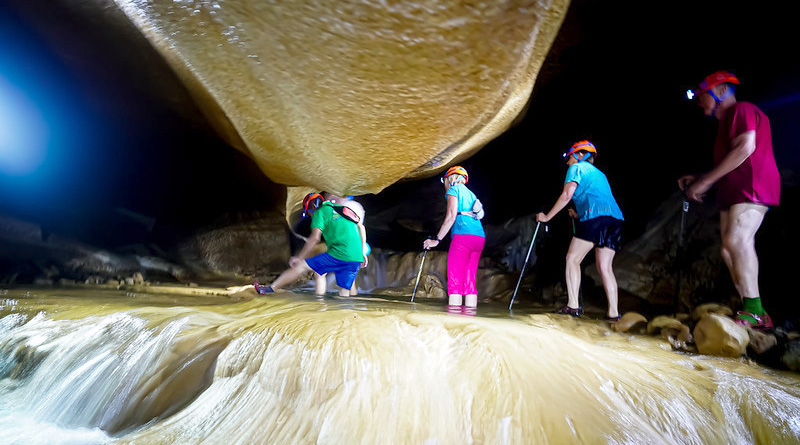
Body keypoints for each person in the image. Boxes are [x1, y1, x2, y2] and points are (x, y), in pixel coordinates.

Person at [678, 71, 780, 329]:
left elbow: (746, 147)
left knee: (737, 240)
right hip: (734, 191)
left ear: (721, 90)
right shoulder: (724, 126)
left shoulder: (741, 109)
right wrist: (700, 177)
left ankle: (755, 311)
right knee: (727, 249)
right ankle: (752, 310)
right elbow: (730, 162)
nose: (699, 101)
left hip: (753, 186)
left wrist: (705, 182)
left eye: (702, 95)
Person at [536, 141, 624, 322]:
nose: (567, 162)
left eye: (569, 158)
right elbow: (598, 200)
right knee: (605, 267)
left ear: (578, 155)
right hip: (615, 220)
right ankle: (613, 314)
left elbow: (567, 195)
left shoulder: (576, 168)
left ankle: (573, 306)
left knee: (572, 259)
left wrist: (547, 217)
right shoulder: (600, 174)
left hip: (596, 219)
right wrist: (578, 214)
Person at [254, 192, 368, 297]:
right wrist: (362, 252)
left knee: (301, 266)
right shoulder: (342, 209)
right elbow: (361, 227)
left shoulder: (320, 212)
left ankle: (269, 289)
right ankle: (327, 304)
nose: (310, 216)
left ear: (312, 207)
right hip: (355, 257)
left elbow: (315, 238)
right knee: (343, 290)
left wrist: (299, 257)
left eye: (308, 213)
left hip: (339, 254)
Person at [423, 166, 485, 309]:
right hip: (479, 237)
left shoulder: (453, 190)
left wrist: (436, 240)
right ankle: (469, 321)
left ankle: (454, 322)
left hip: (463, 237)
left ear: (448, 179)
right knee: (470, 281)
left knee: (455, 280)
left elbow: (451, 217)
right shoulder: (471, 193)